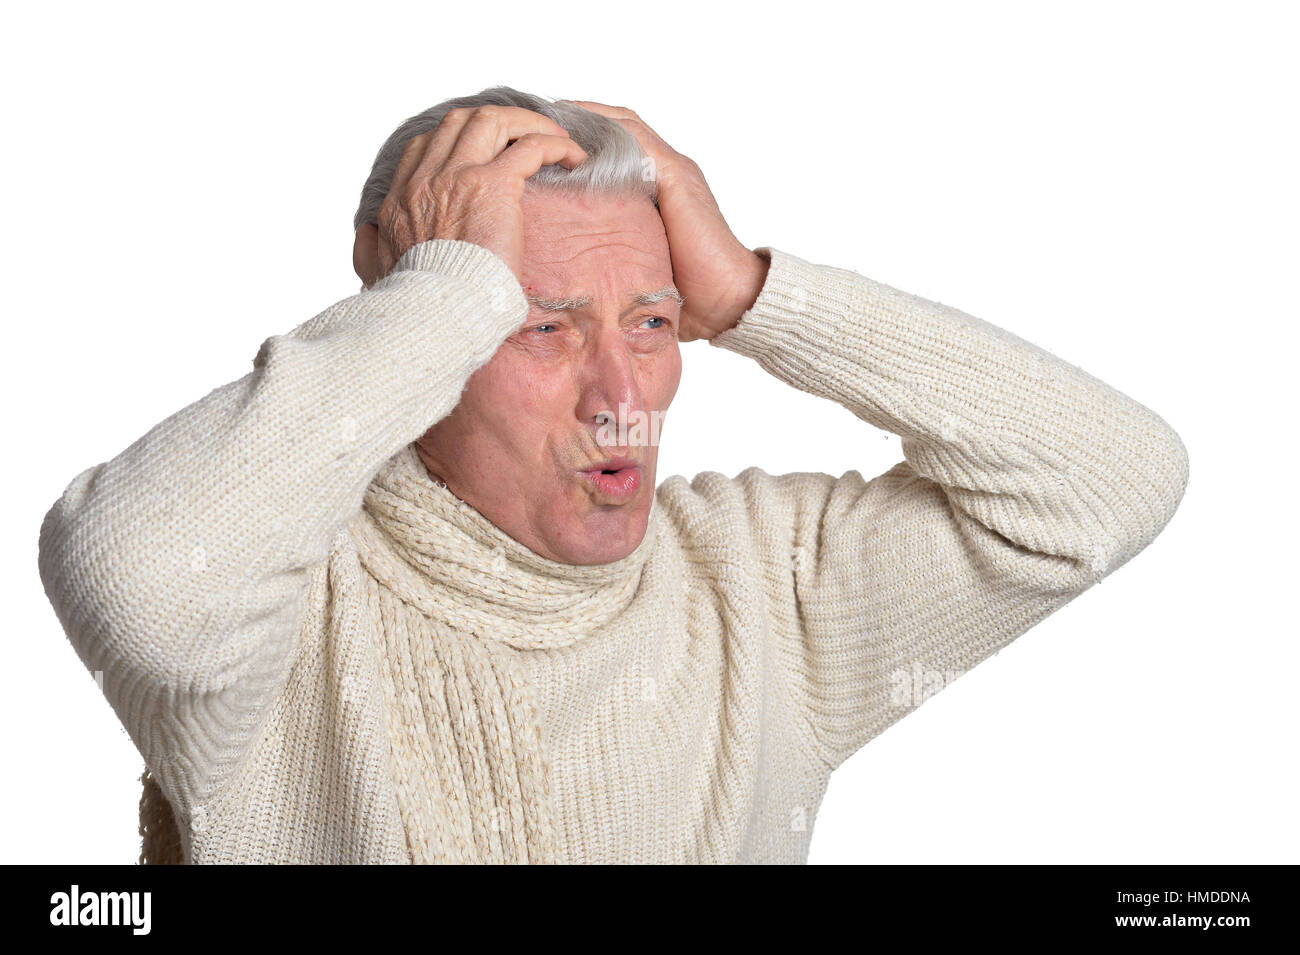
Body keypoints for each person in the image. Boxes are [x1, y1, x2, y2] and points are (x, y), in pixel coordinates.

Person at [36, 86, 1190, 864]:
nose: (622, 396)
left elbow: (1115, 477)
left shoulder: (763, 590)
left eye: (650, 321)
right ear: (415, 322)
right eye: (540, 328)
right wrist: (438, 299)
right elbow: (134, 577)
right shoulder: (280, 606)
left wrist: (750, 294)